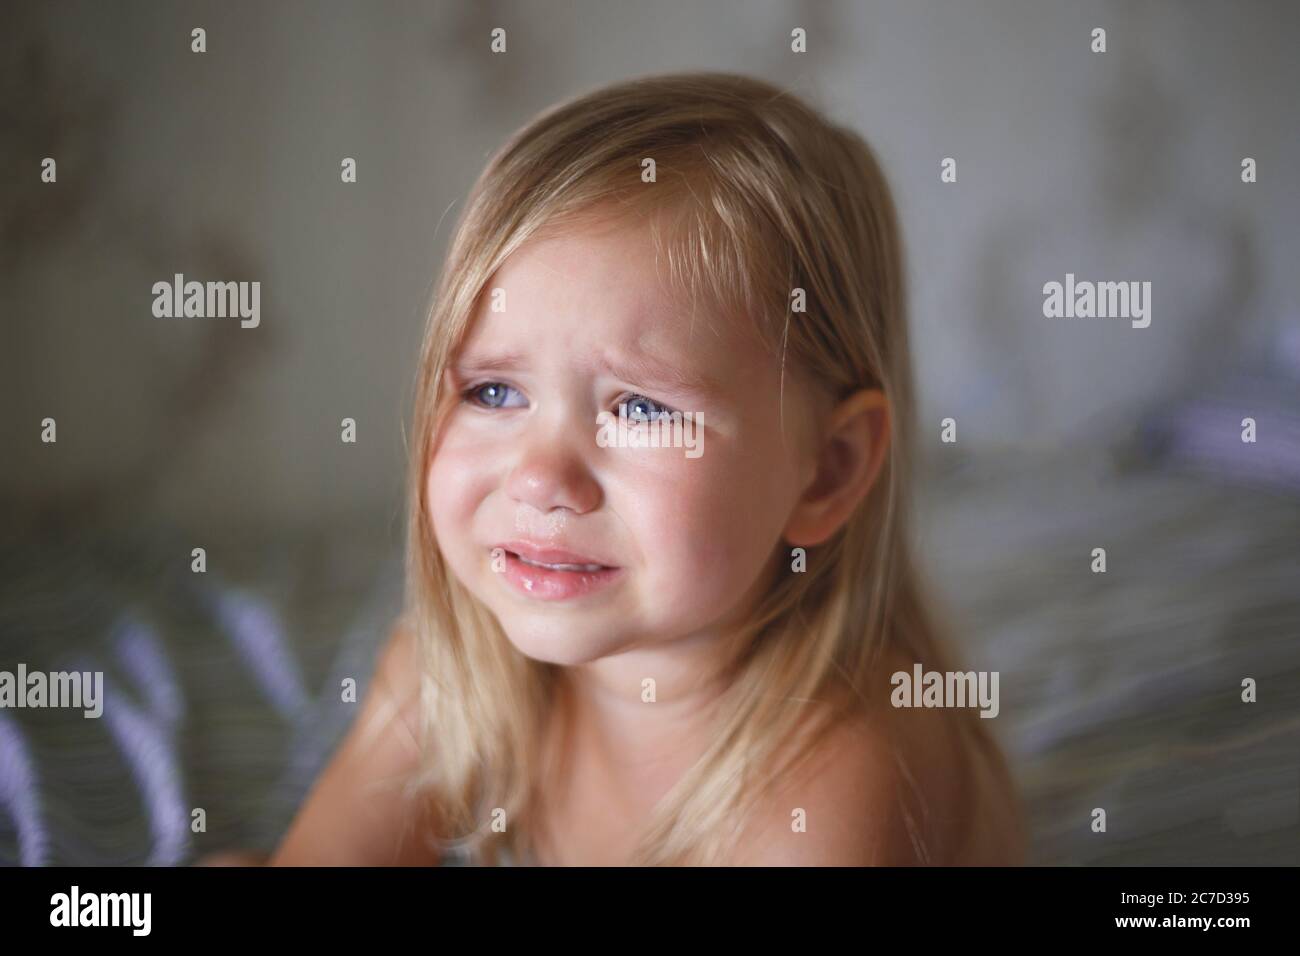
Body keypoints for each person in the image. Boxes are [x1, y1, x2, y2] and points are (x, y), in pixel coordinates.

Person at [261, 70, 1026, 867]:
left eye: (642, 409)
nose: (541, 479)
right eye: (493, 390)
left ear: (827, 470)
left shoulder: (840, 774)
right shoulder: (444, 678)